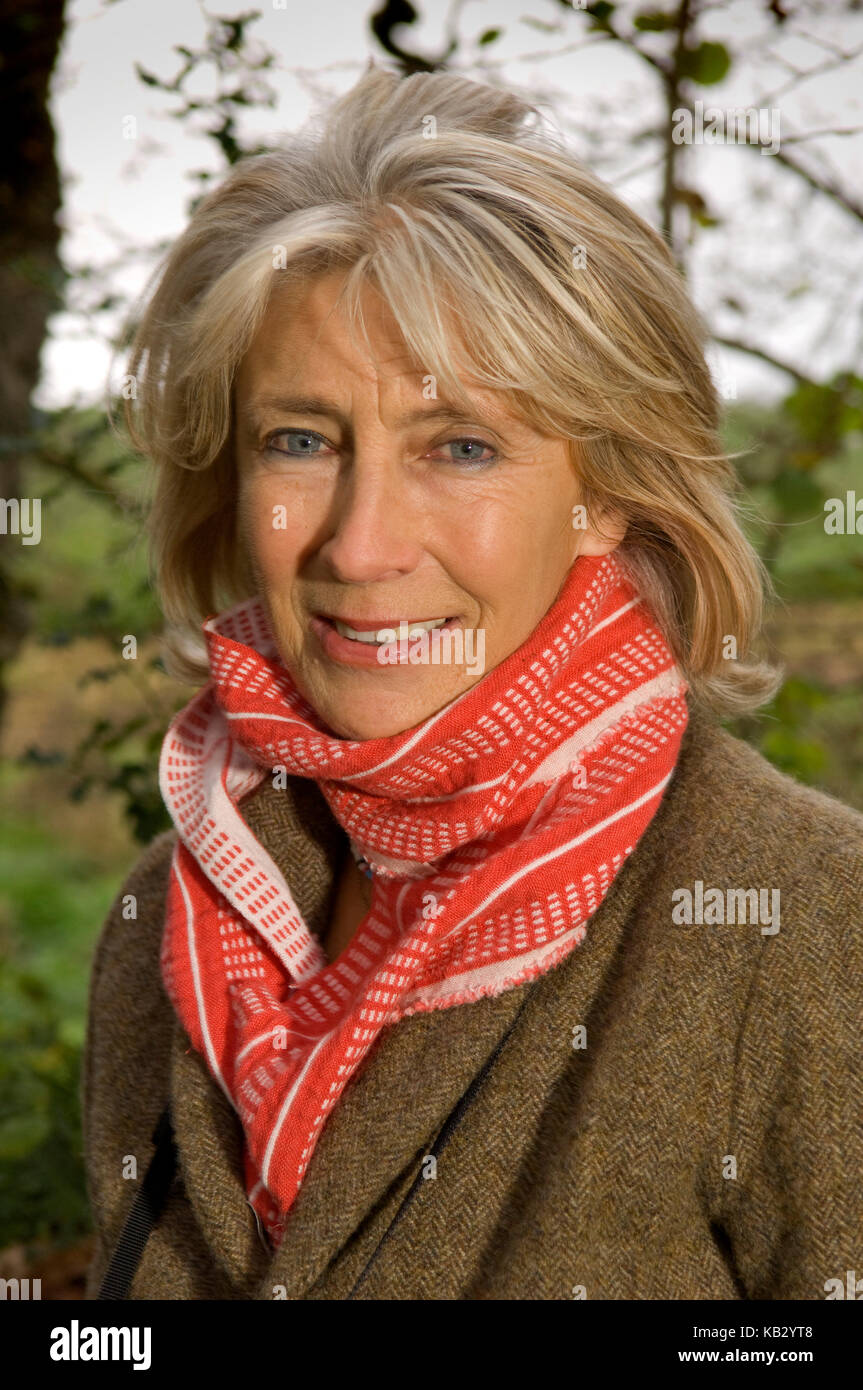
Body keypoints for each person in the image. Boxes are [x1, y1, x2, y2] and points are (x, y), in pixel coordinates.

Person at [82, 62, 863, 1301]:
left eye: (459, 446)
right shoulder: (178, 913)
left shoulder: (804, 918)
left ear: (603, 490)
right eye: (301, 440)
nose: (358, 543)